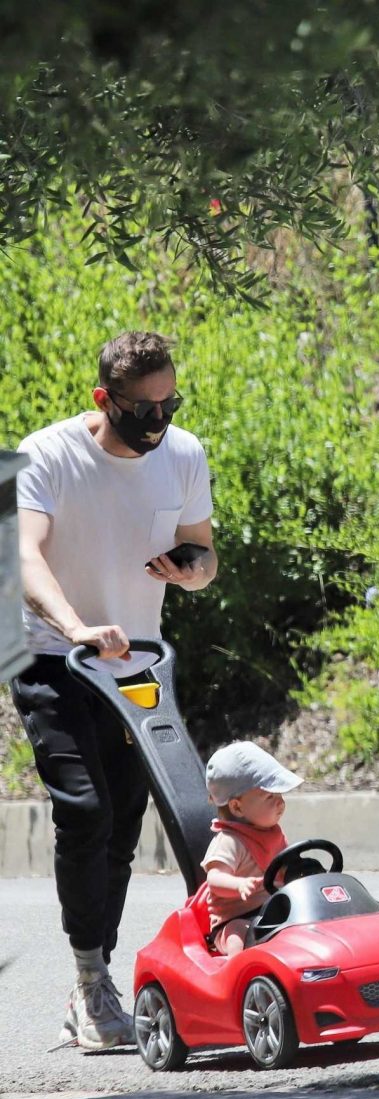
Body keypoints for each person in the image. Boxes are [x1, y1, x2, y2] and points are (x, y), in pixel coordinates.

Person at [11, 331, 218, 1050]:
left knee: (124, 829)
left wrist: (192, 570)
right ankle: (89, 982)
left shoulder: (184, 454)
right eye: (143, 407)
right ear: (105, 399)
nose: (158, 421)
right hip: (53, 660)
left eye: (169, 403)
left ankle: (95, 978)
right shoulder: (47, 455)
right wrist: (76, 626)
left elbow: (204, 550)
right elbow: (26, 556)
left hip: (137, 669)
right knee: (86, 811)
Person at [202, 741, 302, 956]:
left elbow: (285, 866)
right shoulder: (229, 840)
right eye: (270, 797)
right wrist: (239, 884)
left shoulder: (273, 834)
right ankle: (236, 973)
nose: (281, 803)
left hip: (272, 910)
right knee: (239, 936)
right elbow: (214, 878)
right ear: (237, 807)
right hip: (236, 919)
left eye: (280, 796)